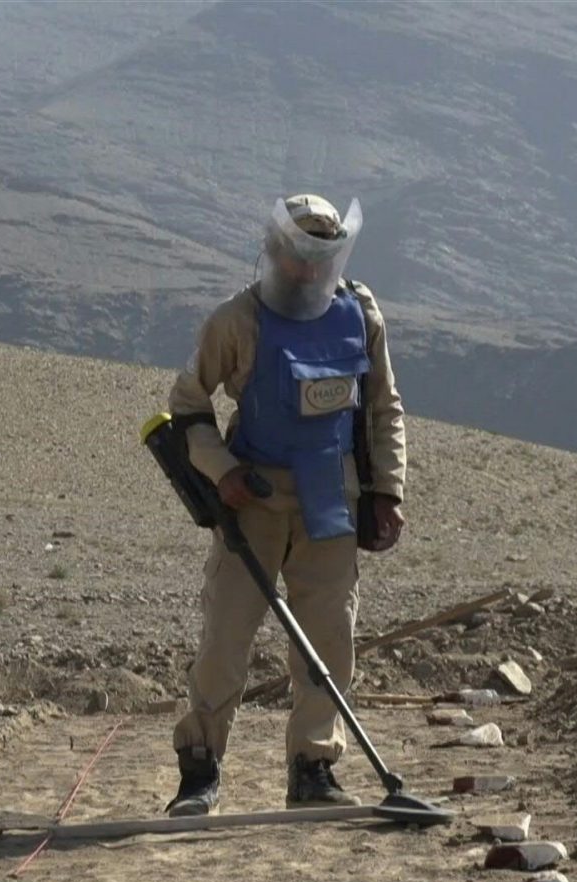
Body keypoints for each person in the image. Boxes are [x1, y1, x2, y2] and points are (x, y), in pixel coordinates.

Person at [163, 194, 407, 816]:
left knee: (329, 640)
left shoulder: (361, 315)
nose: (304, 269)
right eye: (294, 255)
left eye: (316, 256)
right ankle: (200, 771)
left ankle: (314, 768)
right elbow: (189, 406)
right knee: (225, 639)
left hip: (332, 503)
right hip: (255, 502)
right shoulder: (236, 320)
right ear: (274, 252)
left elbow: (382, 409)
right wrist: (224, 474)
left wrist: (387, 493)